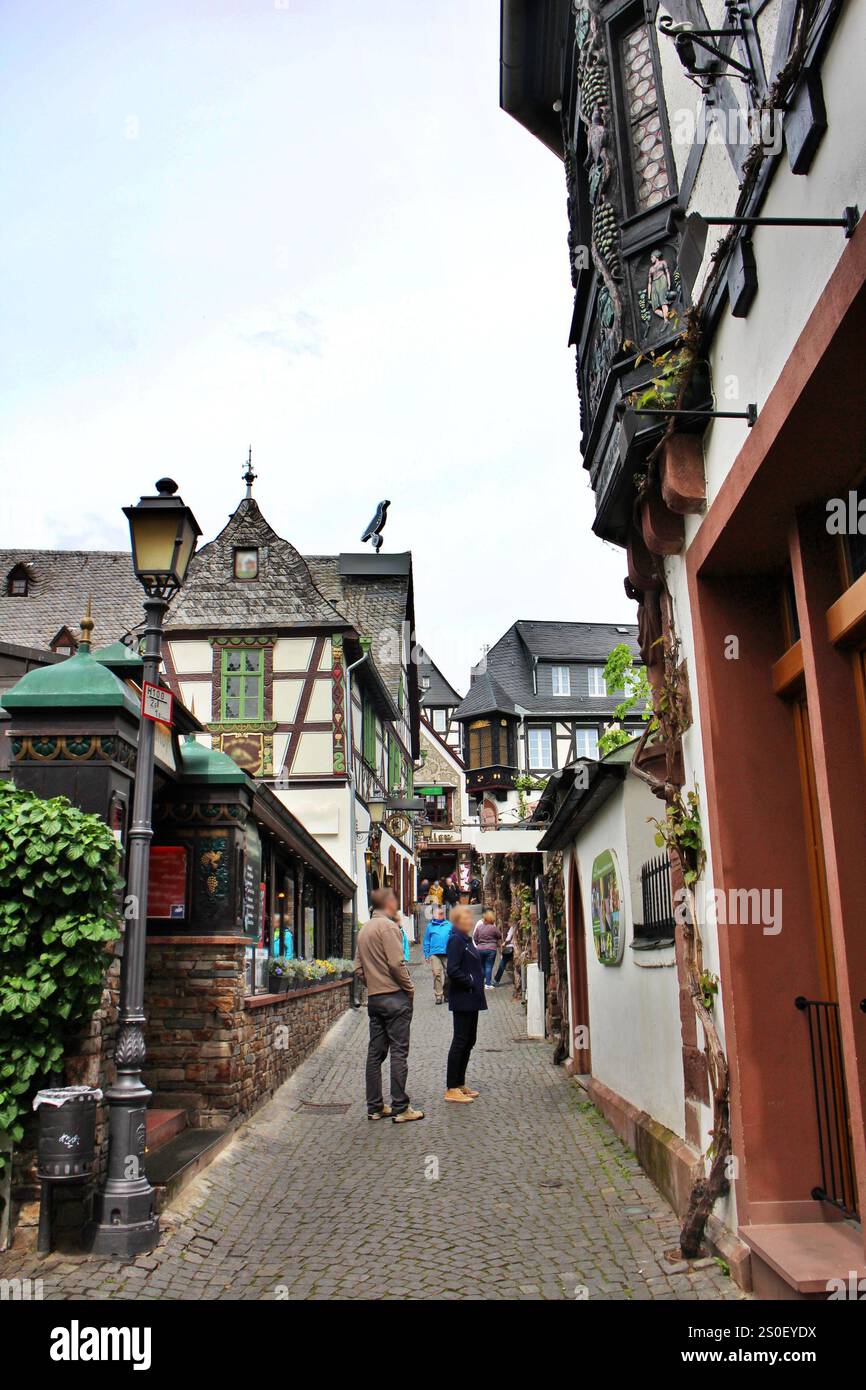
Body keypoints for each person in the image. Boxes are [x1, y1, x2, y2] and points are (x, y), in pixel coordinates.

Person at [354, 887, 424, 1124]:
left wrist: (372, 982)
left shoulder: (363, 931)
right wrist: (410, 988)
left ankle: (374, 1107)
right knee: (398, 1052)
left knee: (375, 1054)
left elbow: (357, 968)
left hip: (374, 1000)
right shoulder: (388, 927)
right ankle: (400, 1107)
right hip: (395, 997)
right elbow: (396, 963)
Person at [444, 906, 487, 1103]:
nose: (470, 920)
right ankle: (451, 1087)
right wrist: (470, 983)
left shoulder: (467, 940)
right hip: (463, 998)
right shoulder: (456, 940)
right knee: (460, 1041)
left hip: (472, 998)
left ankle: (460, 1083)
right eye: (467, 917)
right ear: (458, 920)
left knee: (470, 1040)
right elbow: (452, 969)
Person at [422, 906, 451, 1004]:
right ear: (434, 915)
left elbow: (454, 938)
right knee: (436, 974)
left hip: (447, 953)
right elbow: (426, 941)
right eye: (440, 914)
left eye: (443, 913)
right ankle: (438, 995)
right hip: (434, 954)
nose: (442, 915)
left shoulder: (449, 925)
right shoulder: (430, 927)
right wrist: (426, 954)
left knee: (449, 974)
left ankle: (447, 993)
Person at [472, 909, 502, 989]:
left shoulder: (479, 927)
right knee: (488, 966)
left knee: (481, 966)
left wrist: (479, 944)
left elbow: (474, 937)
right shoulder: (493, 928)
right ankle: (487, 984)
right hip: (491, 949)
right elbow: (499, 936)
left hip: (480, 949)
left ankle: (480, 982)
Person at [493, 921, 517, 987]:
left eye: (509, 922)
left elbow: (508, 939)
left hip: (510, 948)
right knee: (509, 964)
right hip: (513, 948)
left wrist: (504, 944)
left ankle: (496, 980)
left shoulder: (513, 928)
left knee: (502, 964)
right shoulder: (516, 927)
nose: (508, 924)